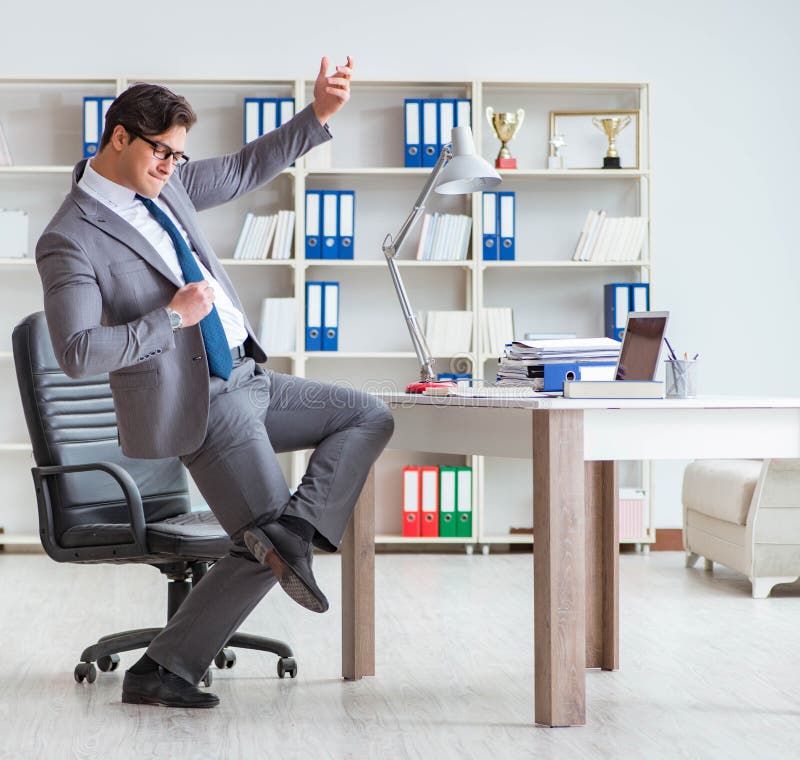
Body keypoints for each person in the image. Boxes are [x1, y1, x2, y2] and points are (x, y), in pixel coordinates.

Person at [35, 56, 394, 709]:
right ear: (120, 138)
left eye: (179, 155)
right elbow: (79, 353)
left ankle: (290, 532)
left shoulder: (165, 183)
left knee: (366, 414)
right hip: (199, 403)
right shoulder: (69, 238)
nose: (174, 166)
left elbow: (239, 169)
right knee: (263, 541)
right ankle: (163, 671)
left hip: (249, 376)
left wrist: (317, 115)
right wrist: (170, 318)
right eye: (164, 153)